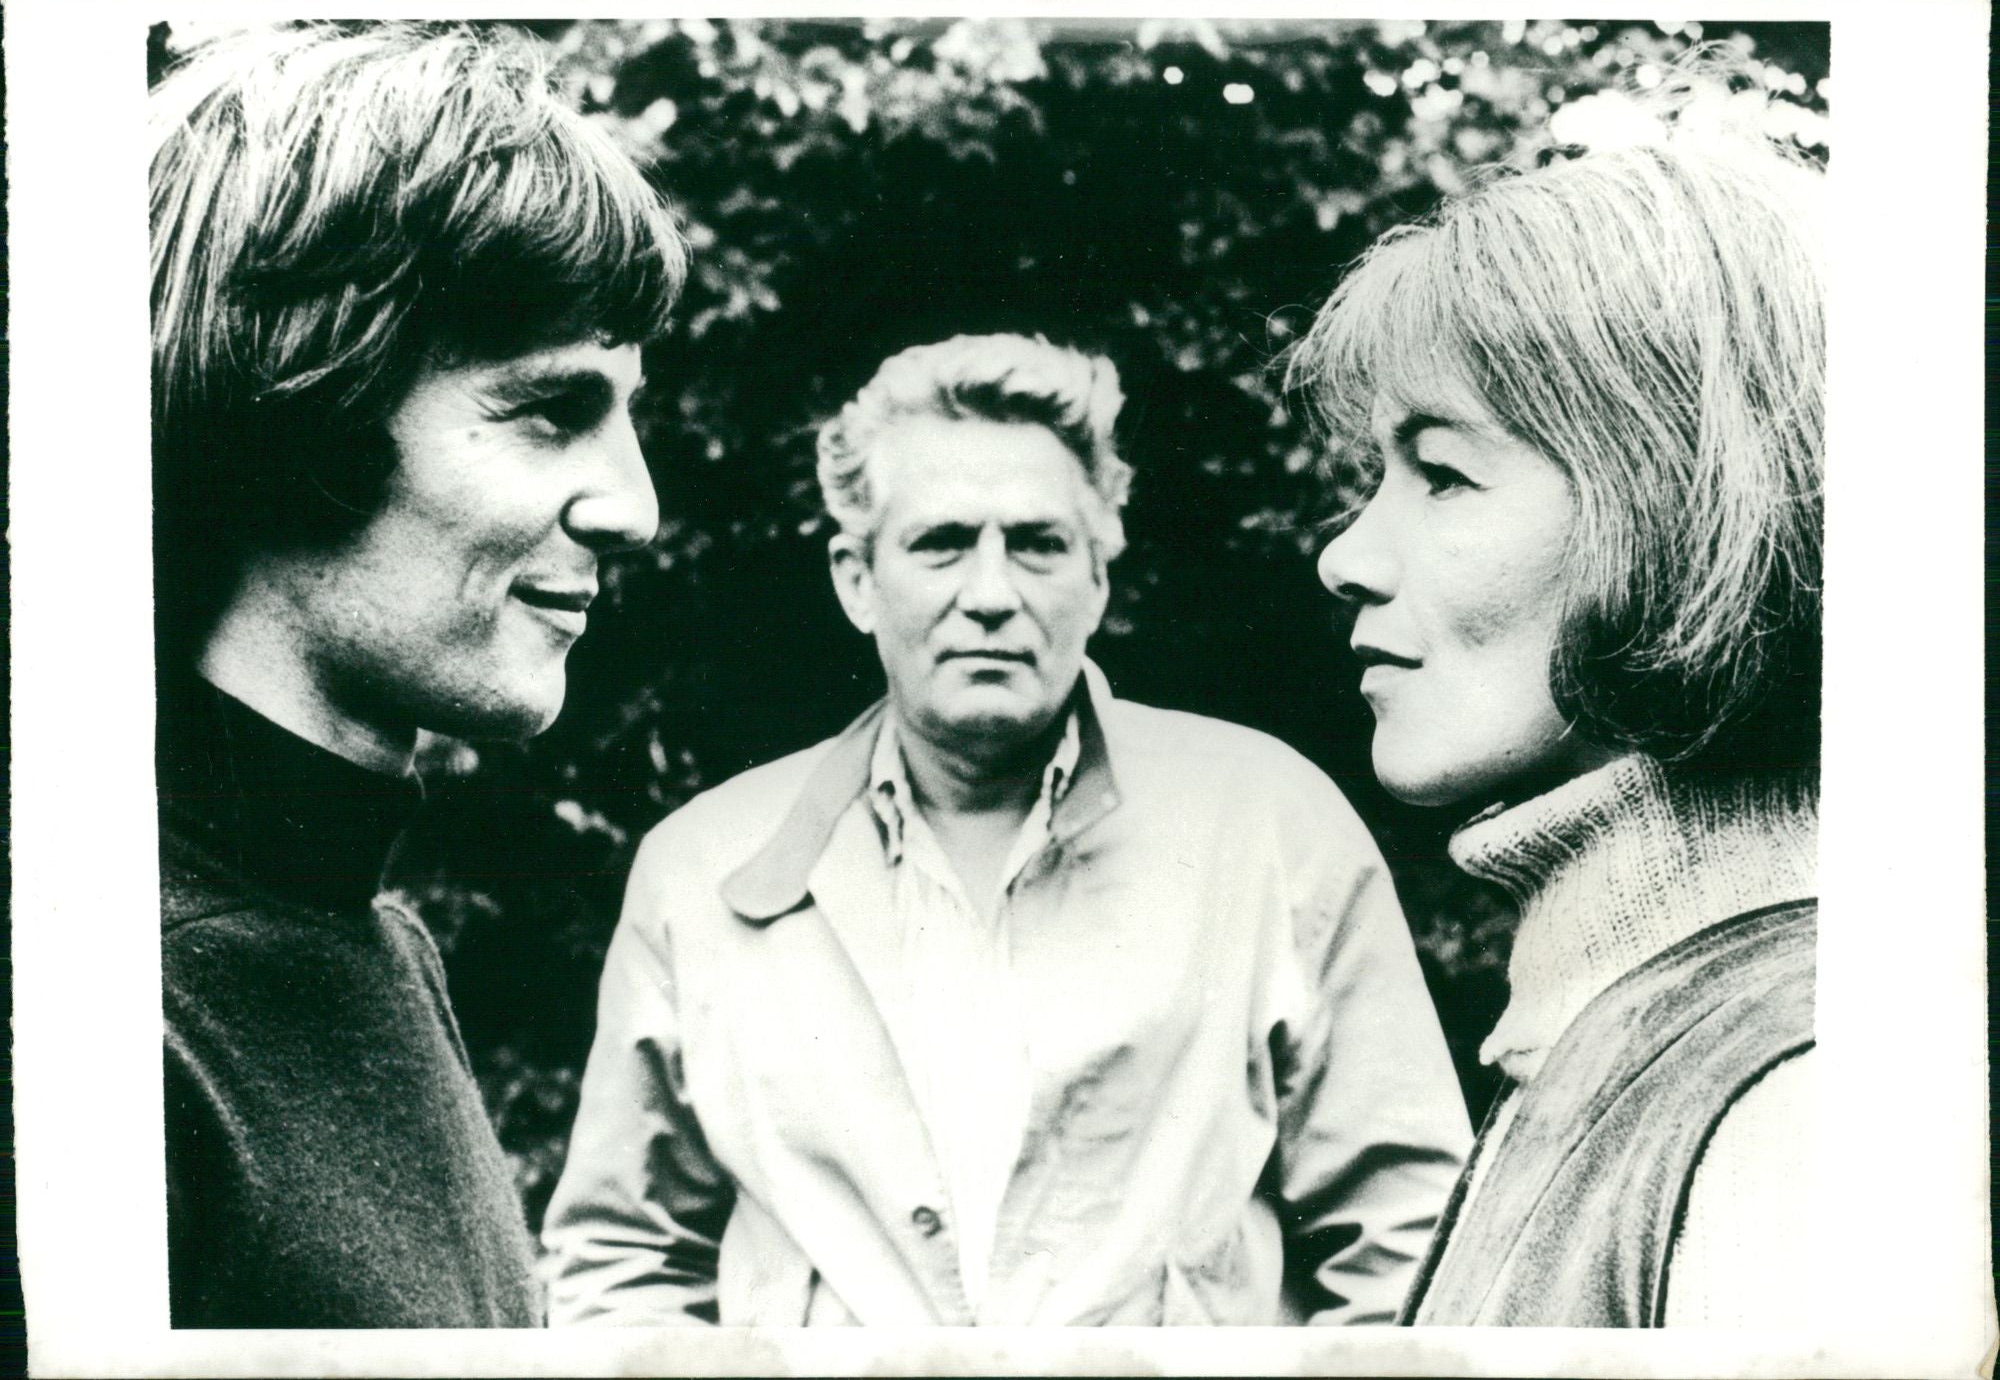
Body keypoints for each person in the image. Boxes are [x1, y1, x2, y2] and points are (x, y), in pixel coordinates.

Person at [542, 333, 1469, 1326]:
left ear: (1098, 579)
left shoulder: (1271, 825)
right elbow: (620, 1267)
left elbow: (1412, 1249)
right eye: (940, 543)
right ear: (856, 579)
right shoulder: (701, 869)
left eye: (1035, 543)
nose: (989, 594)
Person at [150, 21, 685, 1327]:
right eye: (551, 410)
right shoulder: (119, 1029)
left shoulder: (379, 940)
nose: (635, 506)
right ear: (295, 405)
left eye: (629, 414)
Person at [1292, 89, 1824, 1327]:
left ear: (1676, 503)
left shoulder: (1792, 1096)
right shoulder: (1616, 1017)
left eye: (1442, 472)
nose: (1345, 556)